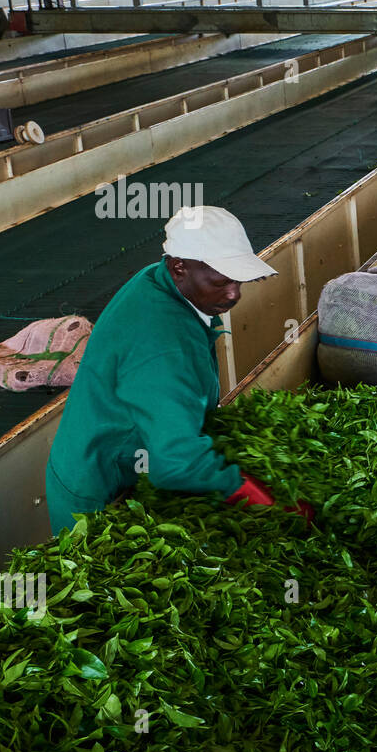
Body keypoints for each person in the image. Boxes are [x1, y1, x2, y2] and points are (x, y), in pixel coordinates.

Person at [46, 206, 312, 534]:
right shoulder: (161, 344)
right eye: (222, 281)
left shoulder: (161, 281)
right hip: (98, 491)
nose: (234, 294)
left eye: (238, 281)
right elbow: (174, 463)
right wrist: (259, 497)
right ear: (180, 267)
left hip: (123, 457)